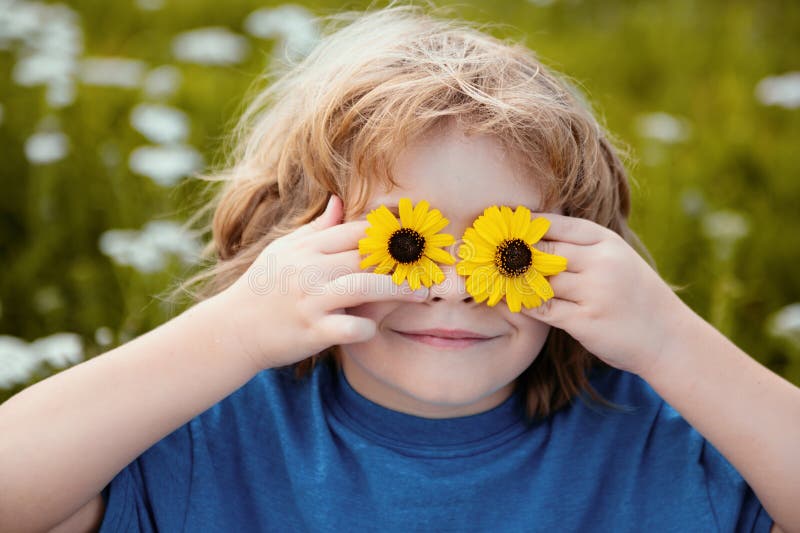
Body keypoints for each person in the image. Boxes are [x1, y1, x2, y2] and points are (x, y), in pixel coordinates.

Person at [0, 5, 797, 533]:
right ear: (295, 245)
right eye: (404, 244)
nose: (451, 284)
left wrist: (669, 342)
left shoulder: (666, 438)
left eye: (506, 248)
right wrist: (230, 333)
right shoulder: (205, 438)